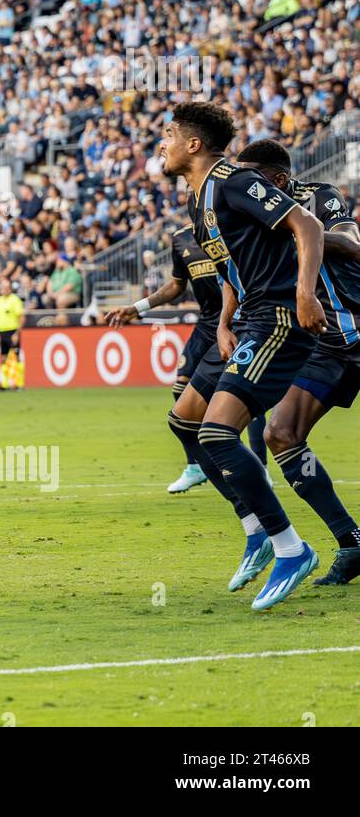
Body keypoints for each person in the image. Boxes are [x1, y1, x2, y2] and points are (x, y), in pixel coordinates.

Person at [161, 103, 327, 610]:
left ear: (194, 144)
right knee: (192, 425)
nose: (161, 144)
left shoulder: (232, 180)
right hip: (249, 319)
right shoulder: (198, 199)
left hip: (279, 317)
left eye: (169, 135)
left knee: (215, 432)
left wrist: (304, 290)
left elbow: (307, 226)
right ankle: (260, 531)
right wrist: (226, 320)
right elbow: (232, 268)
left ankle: (290, 548)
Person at [236, 139, 360, 586]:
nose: (243, 185)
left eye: (253, 178)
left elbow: (351, 242)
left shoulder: (317, 197)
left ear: (280, 181)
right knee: (280, 433)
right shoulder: (249, 219)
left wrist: (299, 229)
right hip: (324, 345)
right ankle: (351, 542)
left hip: (357, 324)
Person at [108, 223, 267, 495]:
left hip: (239, 321)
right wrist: (137, 308)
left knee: (245, 389)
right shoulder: (180, 238)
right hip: (207, 323)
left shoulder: (229, 226)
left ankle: (259, 467)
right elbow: (176, 285)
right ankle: (195, 466)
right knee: (181, 387)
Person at [0, 278, 24, 391]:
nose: (4, 290)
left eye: (6, 287)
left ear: (10, 288)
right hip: (1, 331)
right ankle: (4, 384)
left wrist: (17, 333)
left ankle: (19, 384)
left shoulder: (15, 300)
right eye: (3, 288)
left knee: (15, 358)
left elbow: (21, 317)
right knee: (3, 358)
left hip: (12, 331)